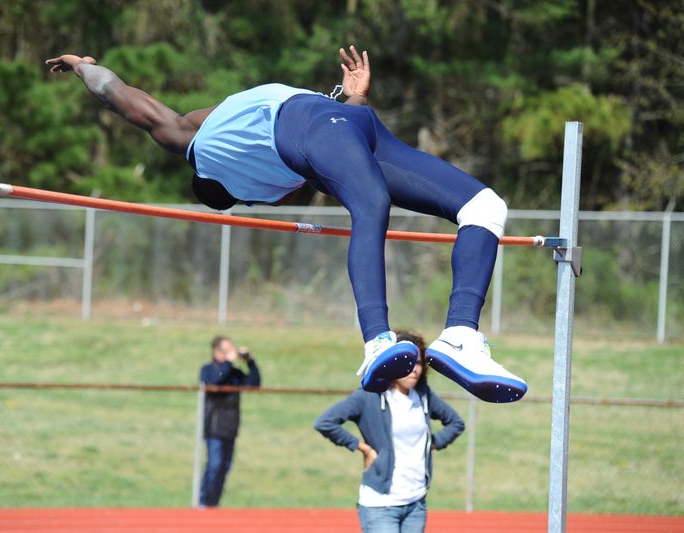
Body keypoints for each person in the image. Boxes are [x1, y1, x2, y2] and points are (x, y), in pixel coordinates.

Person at [45, 45, 527, 402]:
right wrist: (85, 66)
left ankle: (407, 339)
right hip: (352, 123)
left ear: (221, 190)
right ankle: (453, 332)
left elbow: (125, 102)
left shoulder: (205, 152)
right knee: (485, 206)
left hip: (329, 125)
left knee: (371, 203)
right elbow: (123, 95)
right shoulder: (199, 132)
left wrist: (84, 70)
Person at [314, 330, 464, 533]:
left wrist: (431, 443)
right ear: (392, 364)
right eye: (408, 363)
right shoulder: (368, 396)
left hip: (416, 503)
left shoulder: (423, 395)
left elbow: (456, 423)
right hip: (380, 505)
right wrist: (363, 448)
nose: (414, 370)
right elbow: (325, 422)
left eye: (418, 363)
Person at [198, 335, 261, 507]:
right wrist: (228, 362)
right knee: (214, 466)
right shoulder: (209, 369)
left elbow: (254, 384)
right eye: (227, 350)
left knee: (225, 468)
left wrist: (250, 362)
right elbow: (214, 380)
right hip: (214, 426)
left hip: (230, 427)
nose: (231, 354)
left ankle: (213, 504)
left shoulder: (233, 373)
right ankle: (203, 503)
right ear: (217, 352)